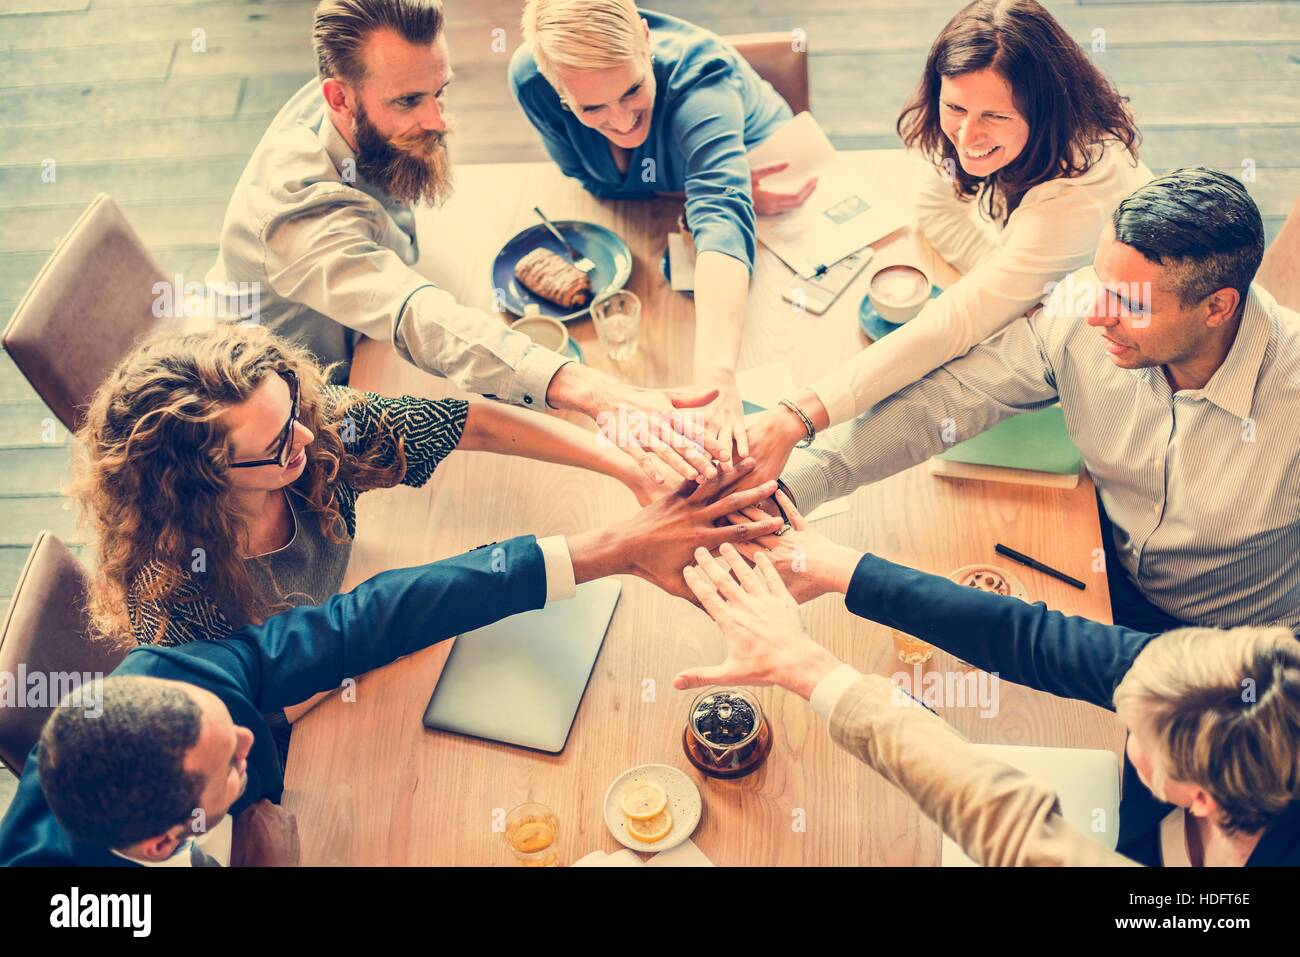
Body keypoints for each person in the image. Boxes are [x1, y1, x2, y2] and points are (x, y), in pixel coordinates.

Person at [0, 466, 783, 866]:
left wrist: (604, 548)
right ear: (162, 841)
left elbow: (363, 619)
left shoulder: (167, 678)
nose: (252, 736)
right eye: (233, 761)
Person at [206, 0, 719, 486]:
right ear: (338, 97)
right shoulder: (296, 216)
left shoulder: (353, 102)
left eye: (440, 91)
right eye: (409, 101)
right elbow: (413, 316)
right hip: (272, 430)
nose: (437, 120)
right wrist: (593, 391)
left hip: (364, 348)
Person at [770, 168, 1298, 633]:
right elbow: (947, 401)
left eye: (1129, 303)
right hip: (1099, 578)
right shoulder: (1081, 315)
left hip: (1242, 648)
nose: (1095, 314)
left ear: (1217, 307)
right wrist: (784, 490)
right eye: (1100, 279)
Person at [678, 491, 1300, 866]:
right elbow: (1029, 638)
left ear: (1200, 799)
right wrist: (846, 569)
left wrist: (808, 667)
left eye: (1134, 733)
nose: (1125, 726)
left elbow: (1011, 825)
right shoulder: (1220, 694)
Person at [72, 323, 661, 652]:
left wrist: (623, 464)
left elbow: (469, 423)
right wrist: (387, 629)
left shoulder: (310, 432)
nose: (306, 437)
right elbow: (259, 703)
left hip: (362, 636)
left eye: (293, 409)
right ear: (198, 484)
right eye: (277, 445)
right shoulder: (175, 596)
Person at [745, 0, 1149, 477]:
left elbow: (954, 323)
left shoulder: (1075, 202)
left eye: (995, 117)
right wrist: (1011, 278)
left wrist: (799, 413)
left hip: (1108, 392)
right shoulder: (1032, 141)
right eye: (954, 106)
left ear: (1042, 112)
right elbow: (933, 204)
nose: (967, 134)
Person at [511, 0, 816, 465]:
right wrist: (687, 191)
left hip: (772, 195)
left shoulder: (702, 80)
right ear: (556, 88)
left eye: (632, 89)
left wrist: (715, 377)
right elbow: (595, 181)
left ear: (645, 37)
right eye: (591, 108)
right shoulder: (530, 81)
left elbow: (720, 216)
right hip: (690, 205)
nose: (620, 120)